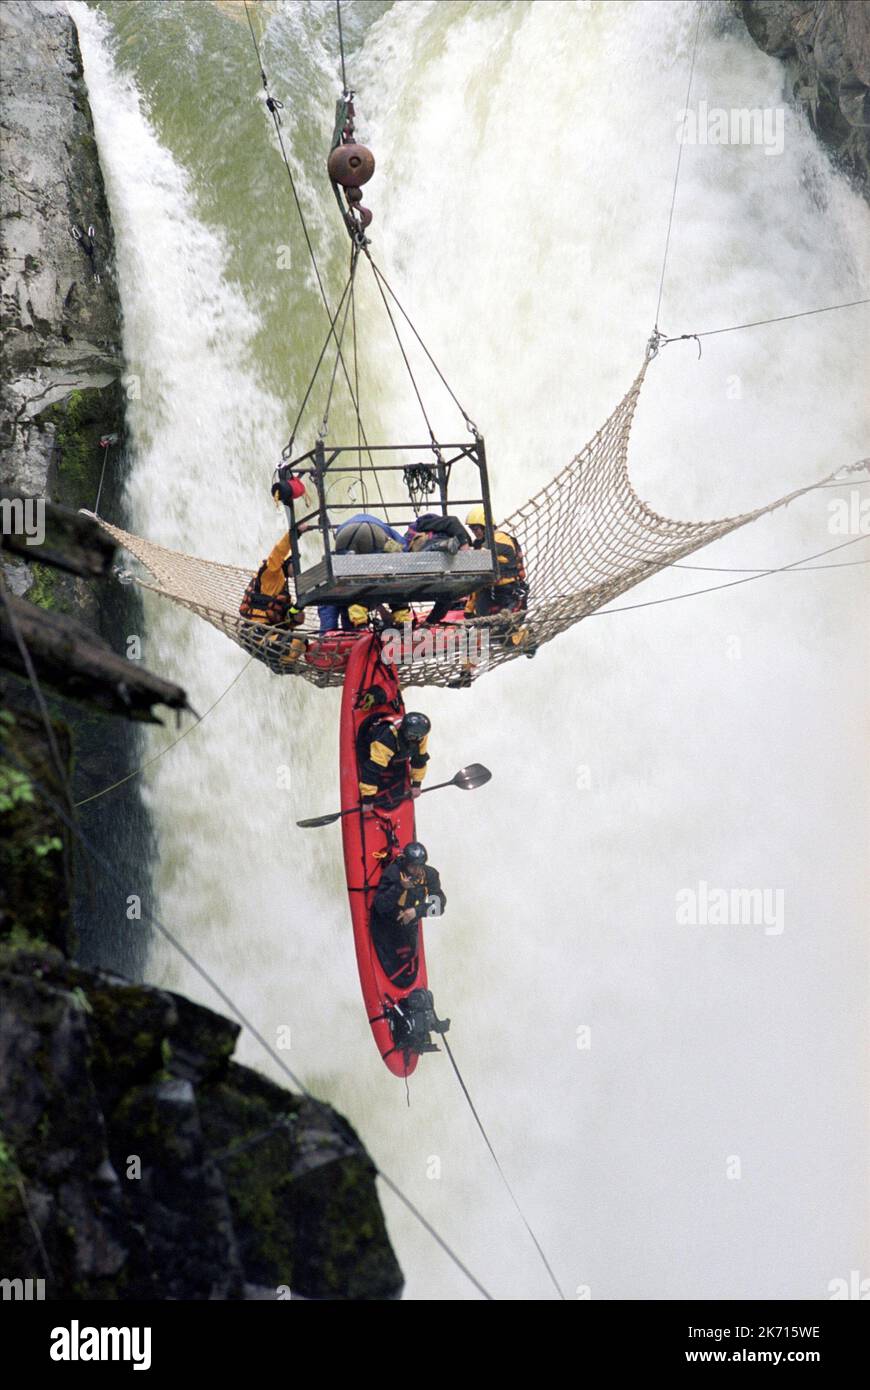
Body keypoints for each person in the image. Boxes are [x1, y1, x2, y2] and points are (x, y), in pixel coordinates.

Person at [318, 512, 411, 633]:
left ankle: (356, 628)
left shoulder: (337, 581)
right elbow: (403, 548)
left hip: (345, 535)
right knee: (372, 580)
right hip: (374, 533)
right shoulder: (386, 530)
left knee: (359, 584)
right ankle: (401, 622)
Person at [370, 841, 446, 985]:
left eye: (420, 866)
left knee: (408, 968)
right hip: (387, 925)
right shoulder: (393, 873)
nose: (417, 871)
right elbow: (380, 906)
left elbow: (440, 906)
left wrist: (417, 912)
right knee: (391, 964)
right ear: (406, 864)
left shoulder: (431, 875)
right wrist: (400, 886)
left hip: (409, 924)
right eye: (412, 867)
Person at [463, 506, 527, 618]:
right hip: (490, 592)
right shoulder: (481, 543)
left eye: (476, 529)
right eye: (471, 529)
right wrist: (469, 608)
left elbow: (477, 558)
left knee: (505, 626)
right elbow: (477, 580)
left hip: (508, 592)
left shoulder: (499, 539)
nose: (474, 532)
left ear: (485, 527)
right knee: (483, 623)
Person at [357, 710, 431, 805]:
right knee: (376, 769)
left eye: (419, 737)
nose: (418, 739)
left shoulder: (420, 736)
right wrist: (368, 799)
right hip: (371, 748)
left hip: (393, 753)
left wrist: (416, 784)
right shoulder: (386, 739)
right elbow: (372, 769)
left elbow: (419, 760)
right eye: (413, 737)